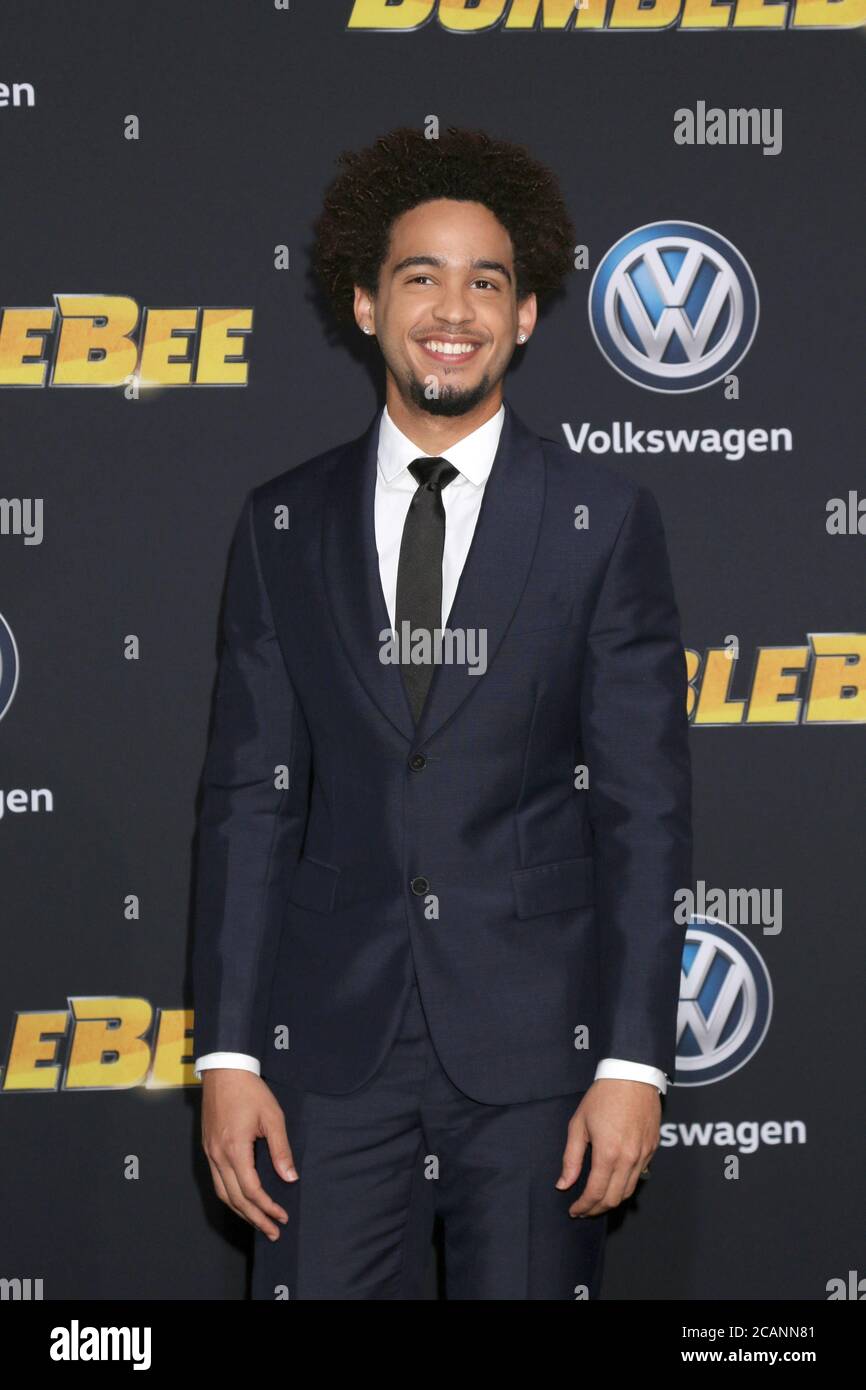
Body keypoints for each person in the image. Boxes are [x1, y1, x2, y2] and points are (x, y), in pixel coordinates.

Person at [191, 126, 692, 1301]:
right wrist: (225, 1049)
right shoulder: (281, 524)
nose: (451, 306)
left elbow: (641, 808)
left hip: (538, 1062)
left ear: (524, 315)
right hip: (326, 1056)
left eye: (487, 280)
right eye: (420, 275)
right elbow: (244, 802)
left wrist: (632, 1057)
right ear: (364, 302)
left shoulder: (601, 520)